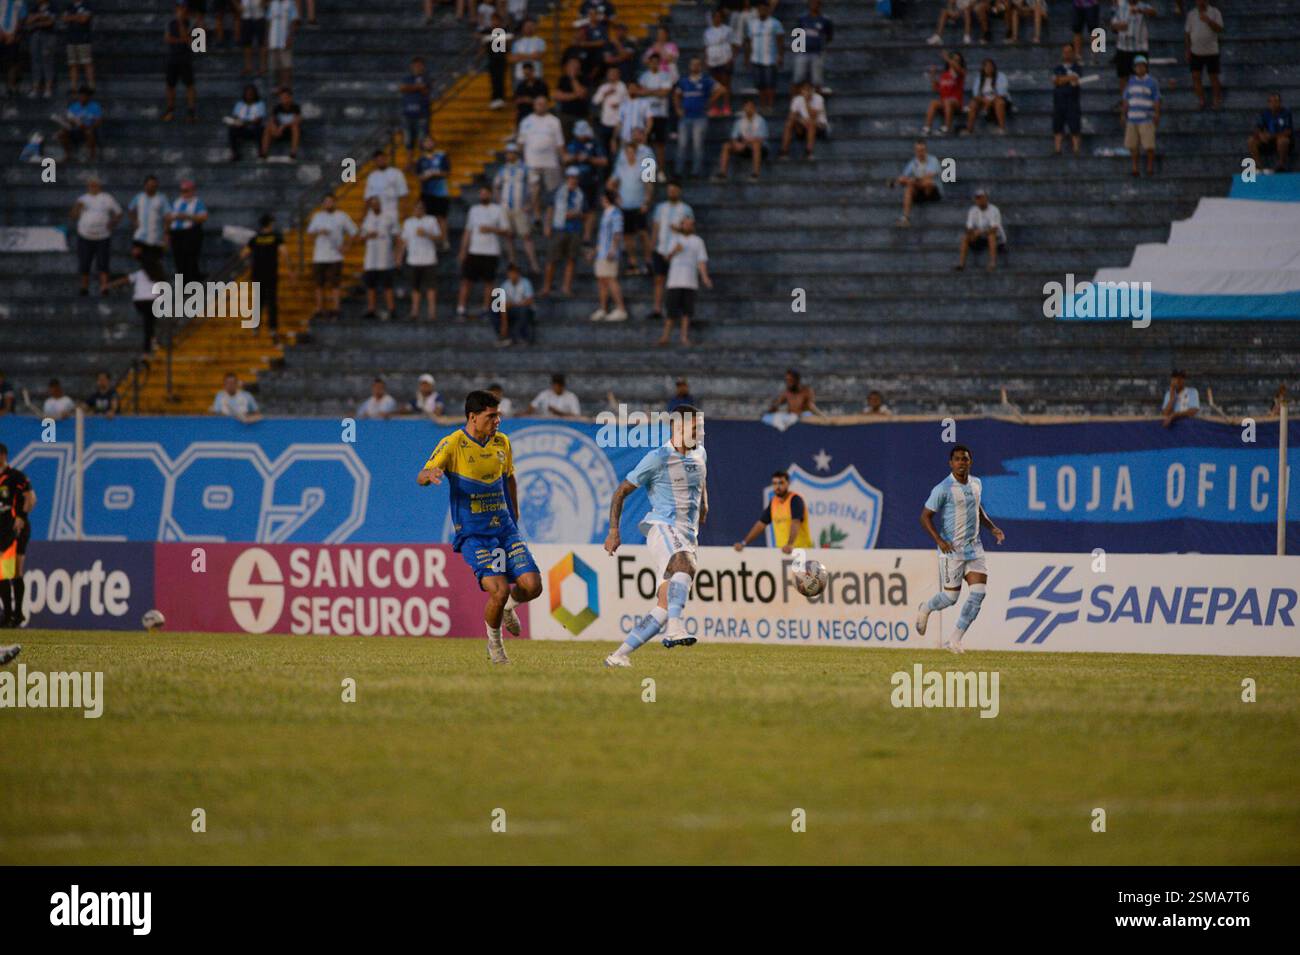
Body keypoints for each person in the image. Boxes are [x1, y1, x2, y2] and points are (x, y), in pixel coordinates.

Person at [418, 390, 544, 665]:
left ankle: (511, 608)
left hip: (505, 529)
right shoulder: (453, 443)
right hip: (475, 534)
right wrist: (430, 474)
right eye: (491, 415)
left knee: (533, 586)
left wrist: (515, 510)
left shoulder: (502, 442)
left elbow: (509, 477)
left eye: (498, 415)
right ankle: (495, 647)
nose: (497, 420)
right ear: (473, 417)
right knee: (498, 591)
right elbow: (422, 475)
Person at [602, 406, 707, 666]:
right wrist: (614, 530)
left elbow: (702, 480)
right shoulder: (658, 458)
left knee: (664, 604)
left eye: (702, 427)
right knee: (685, 564)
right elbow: (620, 492)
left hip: (688, 533)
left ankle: (618, 656)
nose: (701, 433)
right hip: (662, 527)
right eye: (696, 428)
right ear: (678, 428)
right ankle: (675, 629)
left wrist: (704, 505)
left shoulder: (700, 453)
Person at [916, 445, 1005, 654]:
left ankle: (954, 640)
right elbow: (924, 516)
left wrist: (992, 528)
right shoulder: (943, 488)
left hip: (974, 548)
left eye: (964, 459)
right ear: (951, 463)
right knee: (950, 598)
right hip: (951, 551)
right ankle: (926, 607)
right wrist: (939, 540)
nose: (961, 463)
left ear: (970, 462)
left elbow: (977, 508)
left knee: (978, 593)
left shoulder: (977, 483)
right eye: (957, 459)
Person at [0, 441, 37, 628]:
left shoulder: (16, 477)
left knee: (12, 570)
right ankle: (10, 615)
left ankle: (15, 614)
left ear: (4, 456)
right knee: (5, 572)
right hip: (2, 530)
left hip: (15, 530)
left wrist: (21, 517)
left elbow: (31, 498)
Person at [458, 185, 510, 319]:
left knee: (489, 282)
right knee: (466, 280)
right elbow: (468, 231)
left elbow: (506, 231)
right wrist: (463, 250)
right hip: (474, 250)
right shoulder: (474, 210)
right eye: (481, 193)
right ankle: (461, 308)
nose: (483, 196)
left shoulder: (498, 210)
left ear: (490, 194)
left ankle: (486, 309)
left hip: (491, 251)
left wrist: (491, 229)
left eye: (486, 193)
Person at [658, 216, 710, 348]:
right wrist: (675, 251)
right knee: (671, 312)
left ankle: (684, 337)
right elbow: (666, 258)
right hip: (674, 281)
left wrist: (704, 277)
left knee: (687, 312)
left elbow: (701, 261)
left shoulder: (698, 241)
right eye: (685, 224)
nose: (687, 226)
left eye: (690, 224)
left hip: (690, 282)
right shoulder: (675, 239)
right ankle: (665, 336)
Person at [733, 470, 812, 553]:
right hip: (782, 551)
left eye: (781, 483)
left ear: (788, 483)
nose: (777, 487)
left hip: (801, 550)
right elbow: (761, 524)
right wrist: (744, 543)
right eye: (774, 483)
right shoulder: (774, 502)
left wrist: (790, 544)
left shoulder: (795, 500)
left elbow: (796, 522)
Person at [306, 191, 357, 318]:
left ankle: (336, 308)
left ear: (335, 202)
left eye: (330, 201)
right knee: (319, 283)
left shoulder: (342, 216)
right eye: (326, 202)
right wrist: (319, 232)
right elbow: (310, 234)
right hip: (319, 255)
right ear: (323, 204)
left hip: (335, 255)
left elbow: (353, 232)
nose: (328, 204)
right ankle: (319, 308)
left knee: (335, 283)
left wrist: (346, 246)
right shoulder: (317, 216)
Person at [648, 180, 692, 322]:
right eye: (669, 190)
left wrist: (678, 229)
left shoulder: (686, 209)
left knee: (676, 282)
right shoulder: (661, 208)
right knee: (659, 279)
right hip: (661, 248)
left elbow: (690, 230)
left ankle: (674, 310)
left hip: (677, 251)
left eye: (674, 190)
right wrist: (652, 246)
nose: (671, 193)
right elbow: (656, 227)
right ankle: (657, 308)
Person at [517, 95, 565, 221]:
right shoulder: (526, 121)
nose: (541, 106)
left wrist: (563, 158)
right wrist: (520, 159)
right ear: (534, 105)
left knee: (553, 192)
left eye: (543, 104)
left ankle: (552, 218)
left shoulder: (554, 121)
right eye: (538, 104)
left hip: (550, 162)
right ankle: (537, 216)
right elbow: (521, 143)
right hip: (532, 162)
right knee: (534, 190)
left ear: (547, 105)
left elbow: (560, 143)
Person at [70, 176, 121, 295]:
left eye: (95, 184)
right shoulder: (82, 199)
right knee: (84, 263)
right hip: (85, 236)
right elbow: (73, 216)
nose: (93, 187)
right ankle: (84, 288)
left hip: (103, 236)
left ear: (99, 186)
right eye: (91, 185)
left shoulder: (107, 198)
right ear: (88, 186)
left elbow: (118, 213)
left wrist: (112, 223)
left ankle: (104, 287)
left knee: (103, 263)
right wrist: (77, 207)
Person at [242, 213, 289, 342]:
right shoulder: (276, 237)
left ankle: (255, 327)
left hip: (257, 273)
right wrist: (289, 267)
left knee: (258, 301)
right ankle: (273, 329)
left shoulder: (255, 238)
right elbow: (284, 252)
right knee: (272, 302)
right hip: (271, 273)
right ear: (270, 224)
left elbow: (244, 253)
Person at [493, 142, 538, 273]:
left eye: (511, 152)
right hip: (506, 207)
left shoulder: (525, 168)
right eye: (507, 153)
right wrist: (499, 202)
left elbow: (535, 186)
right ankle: (512, 262)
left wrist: (530, 203)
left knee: (526, 235)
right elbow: (496, 186)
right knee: (508, 235)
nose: (508, 155)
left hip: (520, 207)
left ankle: (533, 263)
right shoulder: (503, 169)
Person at [541, 166, 584, 298]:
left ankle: (566, 287)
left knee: (571, 259)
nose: (573, 180)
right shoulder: (557, 192)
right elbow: (550, 209)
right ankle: (546, 287)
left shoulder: (581, 194)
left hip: (575, 229)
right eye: (571, 177)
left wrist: (576, 215)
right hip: (559, 228)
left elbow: (586, 213)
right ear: (567, 178)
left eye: (575, 178)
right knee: (551, 259)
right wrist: (547, 226)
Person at [396, 198, 441, 321]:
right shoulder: (408, 223)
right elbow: (403, 242)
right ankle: (414, 311)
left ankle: (432, 313)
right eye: (417, 208)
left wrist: (426, 234)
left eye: (421, 208)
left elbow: (438, 238)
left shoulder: (431, 220)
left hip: (429, 259)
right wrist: (399, 257)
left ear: (424, 209)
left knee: (431, 287)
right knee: (415, 287)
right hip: (413, 260)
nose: (418, 210)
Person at [674, 57, 719, 178]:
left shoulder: (706, 80)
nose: (695, 67)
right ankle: (678, 172)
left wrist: (709, 101)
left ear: (701, 66)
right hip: (685, 117)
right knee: (682, 145)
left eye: (697, 64)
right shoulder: (683, 81)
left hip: (700, 117)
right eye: (693, 64)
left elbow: (721, 90)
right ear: (689, 66)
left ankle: (696, 172)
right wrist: (678, 108)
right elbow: (676, 95)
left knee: (697, 146)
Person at [360, 195, 399, 321]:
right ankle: (371, 309)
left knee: (388, 285)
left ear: (380, 204)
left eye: (377, 203)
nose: (375, 205)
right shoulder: (367, 219)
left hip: (385, 258)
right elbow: (361, 238)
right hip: (371, 259)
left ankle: (392, 309)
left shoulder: (389, 217)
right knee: (370, 285)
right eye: (373, 203)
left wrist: (396, 254)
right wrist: (368, 236)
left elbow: (397, 236)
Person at [591, 189, 628, 322]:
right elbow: (602, 236)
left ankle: (621, 309)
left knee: (611, 279)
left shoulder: (615, 213)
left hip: (609, 253)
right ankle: (603, 308)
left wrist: (612, 249)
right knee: (602, 281)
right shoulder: (606, 213)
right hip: (601, 254)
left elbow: (617, 233)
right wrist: (595, 252)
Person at [1122, 54, 1160, 177]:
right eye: (1137, 66)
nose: (1139, 68)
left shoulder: (1152, 82)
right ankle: (1135, 168)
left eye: (1142, 66)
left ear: (1146, 67)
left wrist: (1157, 114)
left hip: (1146, 118)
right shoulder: (1131, 82)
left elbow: (1156, 99)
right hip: (1132, 118)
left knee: (1149, 145)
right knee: (1133, 146)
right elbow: (1126, 99)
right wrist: (1123, 114)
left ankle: (1149, 167)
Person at [744, 1, 783, 115]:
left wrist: (780, 56)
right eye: (760, 9)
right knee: (760, 85)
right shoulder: (752, 24)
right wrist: (747, 58)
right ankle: (762, 105)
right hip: (756, 58)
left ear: (768, 10)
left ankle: (770, 105)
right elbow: (748, 42)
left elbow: (780, 41)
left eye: (764, 9)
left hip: (770, 59)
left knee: (770, 84)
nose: (762, 11)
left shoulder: (775, 23)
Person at [715, 98, 768, 181]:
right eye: (746, 107)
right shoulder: (739, 122)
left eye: (750, 107)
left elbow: (760, 139)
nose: (748, 109)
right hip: (745, 147)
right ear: (743, 108)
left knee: (756, 145)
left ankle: (755, 174)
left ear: (754, 108)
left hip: (761, 149)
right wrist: (736, 144)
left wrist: (744, 143)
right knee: (726, 146)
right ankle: (722, 173)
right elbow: (733, 137)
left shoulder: (761, 120)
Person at [1112, 1, 1156, 99]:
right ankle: (1124, 102)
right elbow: (1113, 25)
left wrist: (1140, 10)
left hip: (1140, 48)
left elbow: (1153, 13)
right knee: (1123, 77)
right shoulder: (1121, 7)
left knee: (1142, 75)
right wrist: (1118, 26)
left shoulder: (1143, 5)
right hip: (1123, 47)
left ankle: (1143, 99)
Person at [128, 174, 170, 279]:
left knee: (153, 261)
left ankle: (159, 283)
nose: (151, 187)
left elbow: (167, 216)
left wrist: (166, 234)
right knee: (144, 260)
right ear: (145, 185)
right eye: (149, 185)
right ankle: (157, 282)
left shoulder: (161, 198)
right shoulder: (139, 197)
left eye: (154, 185)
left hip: (156, 237)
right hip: (140, 236)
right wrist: (134, 221)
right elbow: (130, 209)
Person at [1184, 0, 1223, 111]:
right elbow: (1187, 33)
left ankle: (1216, 99)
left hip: (1212, 51)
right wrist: (1187, 50)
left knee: (1213, 77)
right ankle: (1201, 100)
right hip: (1195, 51)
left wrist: (1208, 21)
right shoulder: (1191, 14)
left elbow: (1220, 29)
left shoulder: (1215, 12)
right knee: (1195, 77)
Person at [893, 139, 942, 227]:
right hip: (919, 191)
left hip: (931, 192)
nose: (920, 152)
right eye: (918, 150)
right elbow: (903, 177)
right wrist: (900, 180)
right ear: (915, 151)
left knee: (928, 182)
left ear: (926, 150)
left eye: (922, 150)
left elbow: (929, 176)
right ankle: (905, 218)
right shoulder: (912, 163)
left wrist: (912, 180)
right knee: (909, 188)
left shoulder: (933, 160)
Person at [166, 178, 208, 280]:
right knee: (179, 261)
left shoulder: (197, 202)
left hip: (190, 233)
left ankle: (192, 281)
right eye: (182, 191)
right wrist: (167, 232)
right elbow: (169, 217)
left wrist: (186, 216)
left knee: (190, 260)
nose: (184, 193)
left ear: (192, 190)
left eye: (186, 191)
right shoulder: (177, 202)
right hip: (176, 234)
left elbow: (203, 217)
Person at [414, 134, 451, 248]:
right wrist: (426, 177)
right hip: (426, 192)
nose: (428, 144)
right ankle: (430, 240)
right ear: (422, 145)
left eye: (430, 141)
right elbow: (419, 177)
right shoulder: (421, 160)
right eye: (426, 142)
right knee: (427, 217)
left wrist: (435, 174)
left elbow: (447, 173)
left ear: (434, 143)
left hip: (441, 192)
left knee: (441, 217)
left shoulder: (441, 156)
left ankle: (444, 241)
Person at [163, 3, 197, 123]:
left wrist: (181, 23)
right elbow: (167, 39)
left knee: (189, 85)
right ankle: (170, 110)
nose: (181, 11)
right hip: (173, 58)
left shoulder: (192, 23)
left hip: (185, 58)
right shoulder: (170, 23)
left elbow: (189, 41)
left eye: (183, 8)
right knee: (170, 85)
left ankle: (191, 111)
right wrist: (181, 40)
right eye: (179, 8)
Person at [956, 188, 1005, 271]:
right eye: (978, 198)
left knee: (991, 236)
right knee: (965, 237)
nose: (980, 200)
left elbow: (994, 228)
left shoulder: (994, 210)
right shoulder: (972, 210)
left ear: (986, 198)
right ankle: (961, 264)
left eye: (982, 198)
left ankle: (992, 263)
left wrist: (980, 232)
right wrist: (973, 233)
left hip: (997, 238)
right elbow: (969, 227)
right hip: (979, 237)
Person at [779, 79, 827, 160]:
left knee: (811, 123)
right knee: (789, 123)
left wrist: (807, 102)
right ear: (801, 90)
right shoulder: (797, 99)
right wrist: (801, 120)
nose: (807, 92)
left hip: (819, 126)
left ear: (812, 90)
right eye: (804, 89)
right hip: (803, 126)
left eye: (809, 89)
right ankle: (784, 151)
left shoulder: (819, 98)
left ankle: (809, 152)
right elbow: (791, 116)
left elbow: (813, 116)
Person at [793, 0, 833, 93]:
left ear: (820, 5)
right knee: (797, 78)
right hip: (803, 52)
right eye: (812, 2)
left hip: (817, 53)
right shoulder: (802, 18)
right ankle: (794, 103)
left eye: (816, 3)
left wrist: (819, 44)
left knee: (817, 80)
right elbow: (796, 33)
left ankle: (818, 103)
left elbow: (829, 36)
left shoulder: (825, 20)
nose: (814, 5)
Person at [922, 51, 965, 136]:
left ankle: (947, 128)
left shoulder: (961, 72)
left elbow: (957, 69)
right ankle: (927, 128)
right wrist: (933, 75)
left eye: (957, 60)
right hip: (944, 102)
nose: (954, 62)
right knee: (933, 103)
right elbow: (935, 88)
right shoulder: (944, 74)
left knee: (947, 101)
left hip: (956, 102)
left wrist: (947, 58)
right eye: (954, 60)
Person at [1250, 93, 1294, 174]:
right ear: (1268, 103)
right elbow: (1258, 127)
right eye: (1271, 101)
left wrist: (1272, 136)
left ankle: (1281, 164)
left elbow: (1288, 131)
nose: (1274, 104)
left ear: (1280, 102)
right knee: (1252, 140)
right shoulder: (1264, 114)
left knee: (1283, 141)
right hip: (1267, 139)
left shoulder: (1286, 113)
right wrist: (1261, 135)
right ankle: (1258, 165)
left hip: (1279, 138)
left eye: (1276, 101)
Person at [964, 57, 1009, 135]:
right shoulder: (979, 79)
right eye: (986, 66)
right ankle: (969, 129)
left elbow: (1002, 92)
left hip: (997, 100)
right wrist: (984, 101)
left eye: (990, 66)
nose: (989, 68)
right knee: (972, 104)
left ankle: (1002, 128)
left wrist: (990, 101)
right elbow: (976, 94)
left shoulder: (1001, 76)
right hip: (983, 101)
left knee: (1000, 102)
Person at [1052, 44, 1083, 156]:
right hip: (1059, 101)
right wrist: (1068, 79)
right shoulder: (1057, 68)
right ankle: (1057, 150)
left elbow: (1075, 79)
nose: (1067, 54)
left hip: (1072, 101)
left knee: (1075, 126)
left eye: (1069, 51)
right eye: (1065, 51)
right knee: (1057, 126)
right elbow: (1056, 81)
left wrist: (1062, 80)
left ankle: (1076, 150)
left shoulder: (1077, 67)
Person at [58, 85, 102, 161]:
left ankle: (92, 155)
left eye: (84, 96)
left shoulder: (95, 106)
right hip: (75, 128)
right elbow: (69, 119)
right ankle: (68, 155)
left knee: (89, 132)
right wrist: (70, 122)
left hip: (88, 128)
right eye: (80, 96)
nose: (82, 98)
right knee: (61, 133)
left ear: (88, 97)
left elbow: (98, 121)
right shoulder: (73, 106)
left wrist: (91, 127)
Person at [704, 7, 734, 116]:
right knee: (714, 85)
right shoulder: (708, 32)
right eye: (714, 17)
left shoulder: (727, 30)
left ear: (721, 18)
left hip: (724, 58)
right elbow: (706, 47)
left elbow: (732, 45)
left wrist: (730, 58)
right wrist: (707, 60)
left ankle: (726, 106)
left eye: (718, 17)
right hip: (712, 60)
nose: (716, 19)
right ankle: (714, 107)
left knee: (725, 84)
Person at [363, 148, 408, 219]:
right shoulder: (372, 176)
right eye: (378, 160)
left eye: (382, 159)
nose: (380, 161)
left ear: (386, 159)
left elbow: (403, 194)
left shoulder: (396, 173)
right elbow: (368, 197)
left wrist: (404, 213)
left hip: (391, 211)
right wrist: (364, 216)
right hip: (375, 212)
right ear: (375, 161)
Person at [24, 0, 56, 99]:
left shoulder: (52, 7)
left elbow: (50, 22)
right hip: (34, 36)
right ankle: (35, 88)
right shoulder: (34, 8)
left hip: (48, 37)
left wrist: (36, 20)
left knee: (47, 62)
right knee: (35, 62)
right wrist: (40, 17)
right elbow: (28, 21)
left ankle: (48, 89)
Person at [499, 261, 536, 345]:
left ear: (518, 273)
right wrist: (504, 323)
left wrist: (513, 304)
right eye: (510, 272)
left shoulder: (526, 283)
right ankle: (504, 336)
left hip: (524, 309)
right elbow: (502, 305)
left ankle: (521, 336)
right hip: (512, 310)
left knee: (523, 310)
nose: (512, 274)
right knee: (494, 311)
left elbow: (529, 301)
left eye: (514, 272)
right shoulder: (504, 285)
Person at [227, 83, 266, 161]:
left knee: (261, 129)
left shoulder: (260, 104)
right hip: (242, 128)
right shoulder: (239, 104)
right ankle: (235, 153)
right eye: (247, 93)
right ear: (244, 94)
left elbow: (258, 119)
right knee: (232, 130)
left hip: (254, 128)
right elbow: (236, 117)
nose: (249, 95)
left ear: (255, 94)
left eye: (251, 93)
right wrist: (239, 123)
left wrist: (245, 122)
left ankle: (261, 153)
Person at [261, 85, 302, 159]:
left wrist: (283, 126)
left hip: (289, 131)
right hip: (279, 131)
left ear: (290, 98)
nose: (284, 99)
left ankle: (293, 153)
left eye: (286, 97)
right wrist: (274, 128)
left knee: (295, 127)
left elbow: (297, 120)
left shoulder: (296, 107)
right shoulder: (277, 108)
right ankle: (264, 153)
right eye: (282, 98)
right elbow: (272, 120)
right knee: (268, 127)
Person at [62, 1, 94, 94]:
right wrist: (77, 16)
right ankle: (74, 87)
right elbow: (64, 18)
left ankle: (91, 86)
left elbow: (84, 19)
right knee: (72, 64)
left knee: (87, 63)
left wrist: (71, 17)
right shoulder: (68, 6)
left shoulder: (87, 5)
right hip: (71, 40)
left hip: (84, 40)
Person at [400, 56, 431, 149]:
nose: (417, 67)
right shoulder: (407, 78)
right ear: (411, 66)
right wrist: (418, 87)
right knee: (408, 140)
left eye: (420, 65)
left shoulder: (427, 78)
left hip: (422, 113)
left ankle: (422, 160)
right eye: (416, 65)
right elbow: (402, 88)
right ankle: (409, 161)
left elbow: (426, 91)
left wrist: (411, 88)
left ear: (423, 67)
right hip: (407, 113)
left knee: (422, 139)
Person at [265, 0, 296, 88]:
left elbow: (293, 21)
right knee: (275, 65)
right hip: (273, 39)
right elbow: (268, 21)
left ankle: (287, 86)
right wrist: (267, 38)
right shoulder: (272, 3)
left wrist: (290, 37)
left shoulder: (290, 3)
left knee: (287, 65)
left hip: (285, 39)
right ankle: (277, 86)